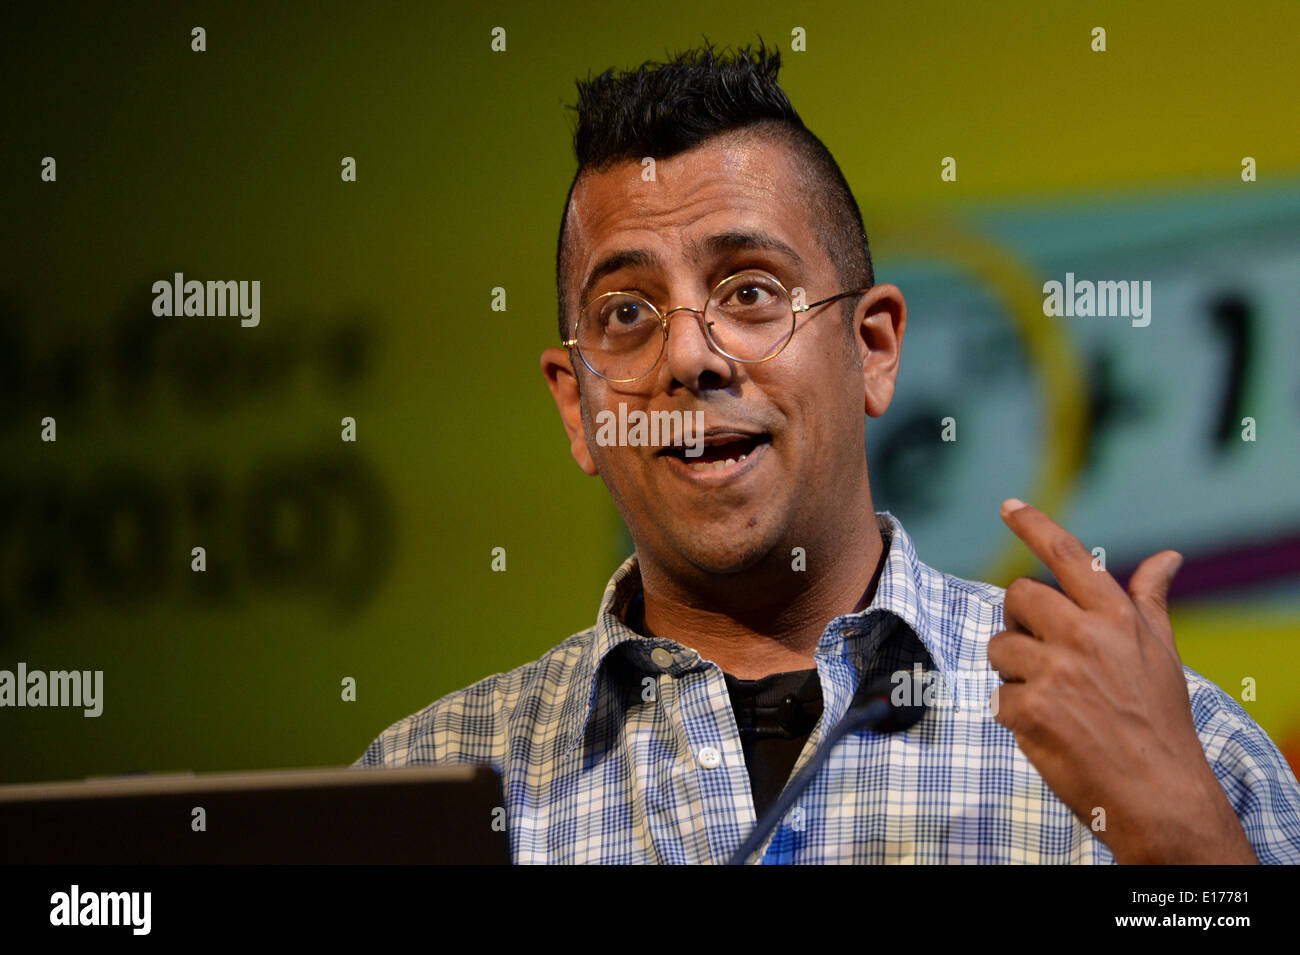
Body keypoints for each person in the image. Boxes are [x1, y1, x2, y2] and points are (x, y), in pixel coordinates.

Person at [354, 41, 1300, 864]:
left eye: (752, 291)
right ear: (577, 409)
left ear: (873, 349)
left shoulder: (1175, 747)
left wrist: (1181, 850)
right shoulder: (416, 798)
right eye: (628, 313)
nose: (688, 355)